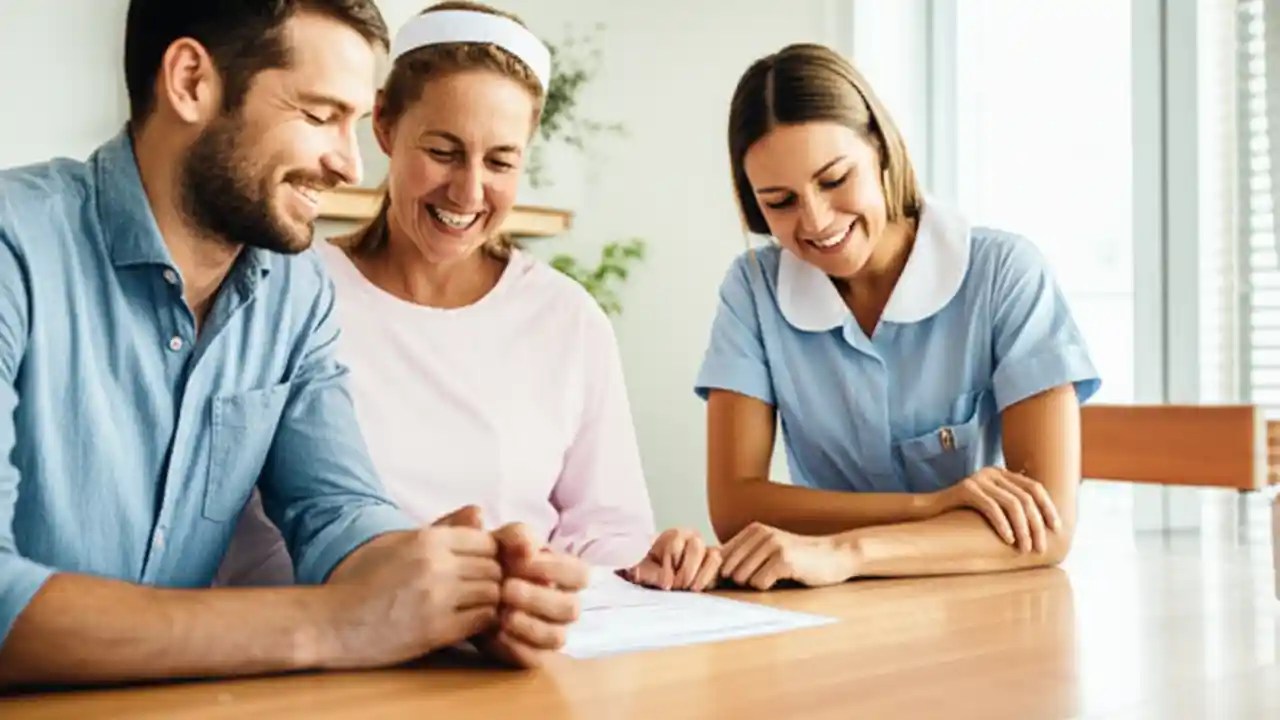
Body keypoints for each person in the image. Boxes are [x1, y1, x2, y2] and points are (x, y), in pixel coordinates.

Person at [0, 0, 584, 687]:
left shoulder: (293, 287)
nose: (348, 163)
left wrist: (458, 587)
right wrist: (336, 621)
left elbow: (335, 510)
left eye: (357, 124)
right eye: (318, 115)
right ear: (191, 81)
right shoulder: (17, 247)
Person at [218, 1, 721, 596]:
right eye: (443, 151)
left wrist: (646, 564)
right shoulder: (288, 292)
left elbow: (606, 536)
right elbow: (247, 532)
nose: (468, 190)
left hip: (507, 650)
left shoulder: (565, 318)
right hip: (333, 645)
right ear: (383, 125)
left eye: (501, 161)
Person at [698, 44, 1101, 591]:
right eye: (780, 202)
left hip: (977, 606)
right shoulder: (752, 289)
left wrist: (845, 551)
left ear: (882, 152)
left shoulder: (1003, 274)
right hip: (825, 613)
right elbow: (735, 506)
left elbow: (1045, 527)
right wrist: (932, 505)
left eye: (835, 180)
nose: (816, 221)